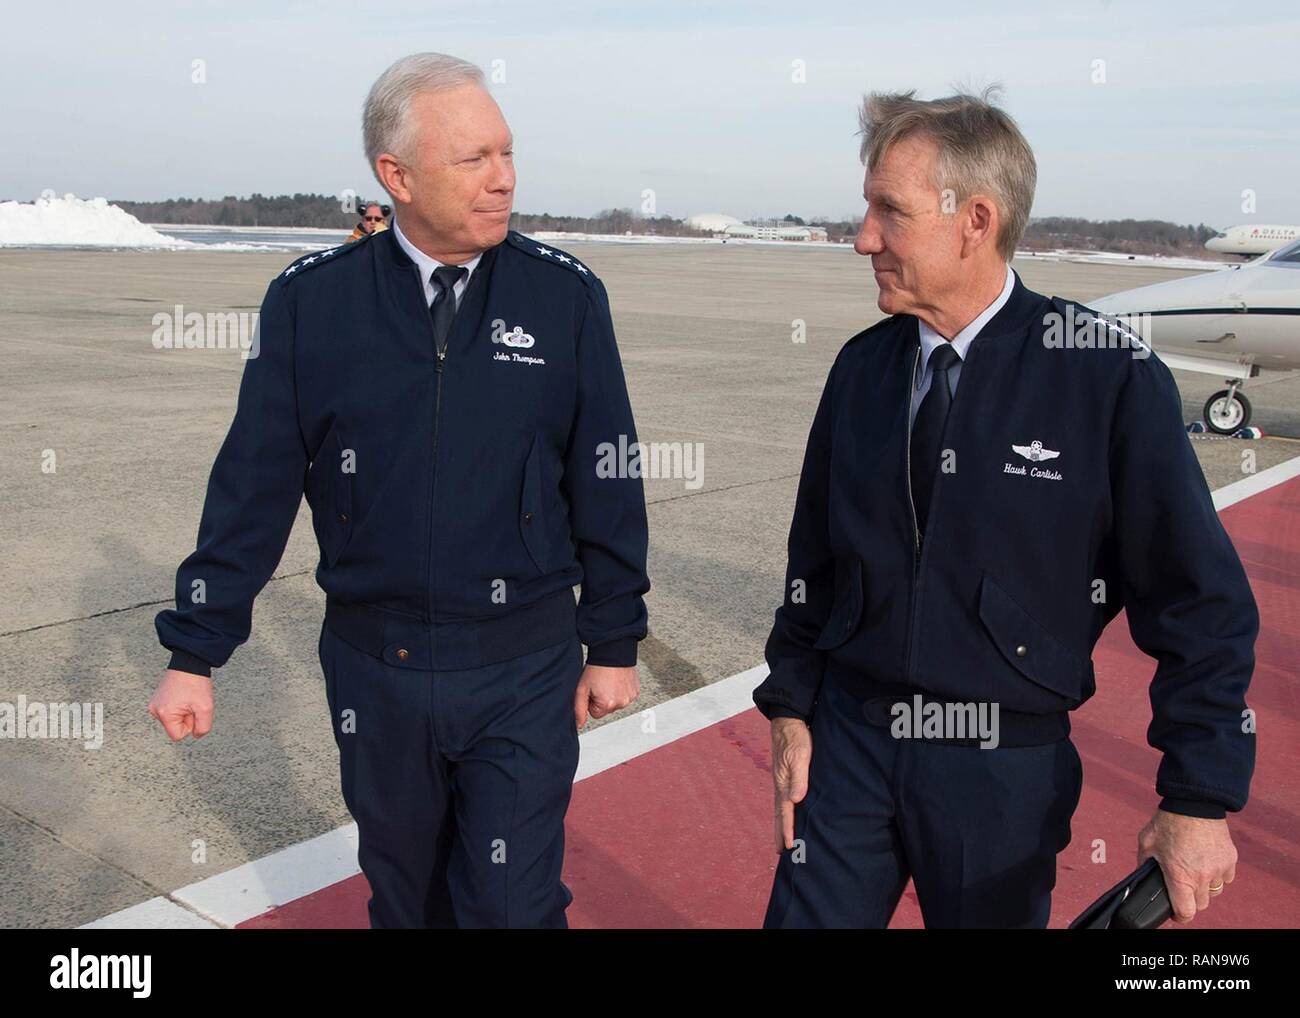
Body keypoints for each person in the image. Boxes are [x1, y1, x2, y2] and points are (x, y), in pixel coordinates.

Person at [149, 52, 650, 928]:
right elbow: (253, 485)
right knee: (408, 899)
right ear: (397, 176)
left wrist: (614, 636)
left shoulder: (565, 297)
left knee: (509, 902)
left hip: (522, 665)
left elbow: (608, 472)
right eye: (475, 161)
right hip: (377, 671)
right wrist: (196, 650)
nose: (505, 180)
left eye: (506, 153)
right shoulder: (312, 304)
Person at [753, 87, 1257, 929]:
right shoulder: (861, 371)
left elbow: (1198, 602)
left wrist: (1199, 798)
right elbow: (816, 563)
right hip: (849, 748)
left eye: (889, 211)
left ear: (974, 220)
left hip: (1000, 767)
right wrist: (793, 703)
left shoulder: (1104, 378)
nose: (862, 238)